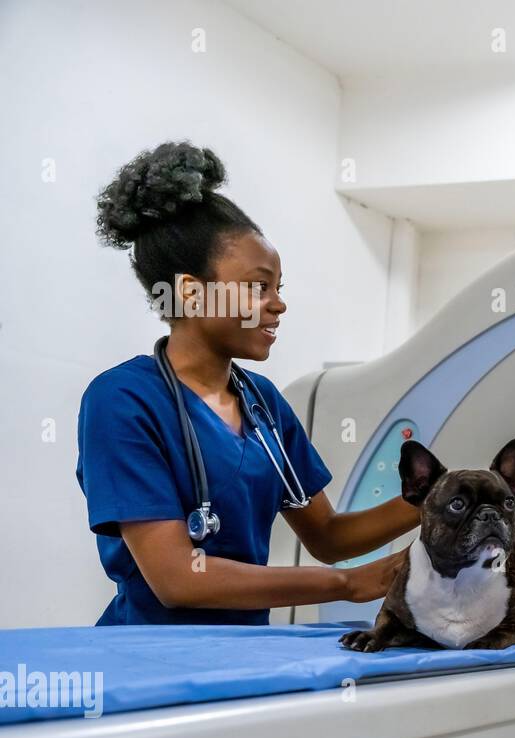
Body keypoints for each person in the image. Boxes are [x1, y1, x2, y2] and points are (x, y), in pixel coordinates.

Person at [78, 142, 418, 625]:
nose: (278, 305)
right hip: (149, 660)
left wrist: (438, 498)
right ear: (191, 292)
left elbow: (328, 537)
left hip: (247, 653)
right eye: (259, 287)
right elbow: (177, 578)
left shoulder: (262, 403)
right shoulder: (122, 401)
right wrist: (349, 583)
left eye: (279, 288)